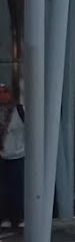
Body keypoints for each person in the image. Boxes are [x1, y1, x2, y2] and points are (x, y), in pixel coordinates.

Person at [0, 82, 25, 229]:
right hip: (2, 155)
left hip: (17, 154)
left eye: (4, 92)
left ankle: (19, 216)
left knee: (17, 188)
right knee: (4, 189)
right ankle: (5, 217)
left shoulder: (19, 110)